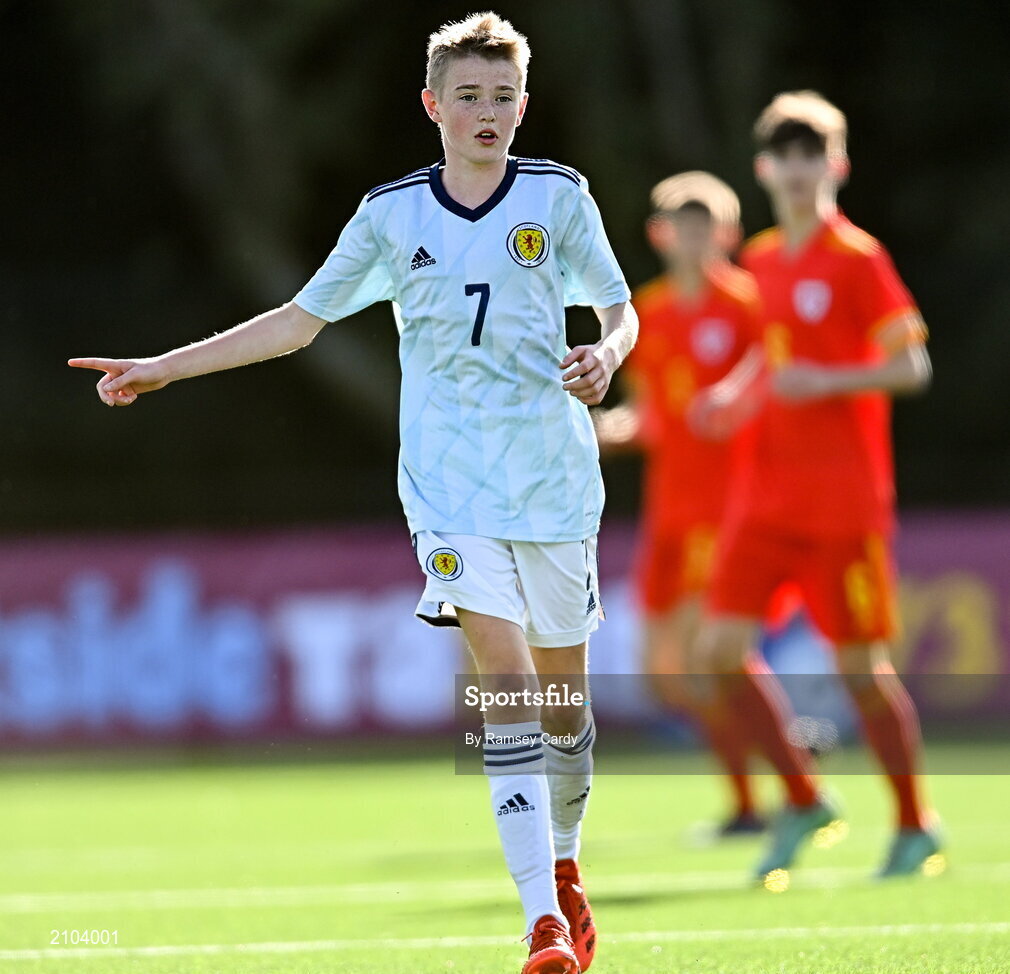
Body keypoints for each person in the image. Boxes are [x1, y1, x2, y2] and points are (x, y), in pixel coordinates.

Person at [69, 12, 637, 973]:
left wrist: (607, 355)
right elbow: (299, 321)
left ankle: (567, 864)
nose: (487, 113)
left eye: (503, 97)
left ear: (523, 104)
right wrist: (167, 366)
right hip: (449, 486)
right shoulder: (391, 216)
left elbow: (618, 306)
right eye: (468, 96)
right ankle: (542, 920)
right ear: (432, 106)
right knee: (503, 683)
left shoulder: (560, 198)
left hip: (553, 478)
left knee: (561, 707)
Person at [690, 90, 940, 881]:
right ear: (765, 168)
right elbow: (772, 353)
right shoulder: (761, 259)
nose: (799, 172)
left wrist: (827, 380)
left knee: (863, 672)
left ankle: (913, 825)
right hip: (765, 499)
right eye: (785, 157)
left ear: (837, 165)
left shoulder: (859, 258)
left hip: (843, 503)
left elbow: (912, 366)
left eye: (813, 156)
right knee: (716, 651)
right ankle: (802, 798)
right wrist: (737, 389)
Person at [594, 171, 768, 835]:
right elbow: (651, 412)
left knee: (703, 657)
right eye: (680, 227)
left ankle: (761, 799)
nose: (692, 239)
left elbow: (775, 388)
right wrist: (614, 427)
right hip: (669, 509)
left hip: (728, 510)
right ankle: (778, 757)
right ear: (658, 235)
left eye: (705, 227)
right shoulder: (652, 310)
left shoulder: (749, 304)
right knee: (662, 675)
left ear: (727, 234)